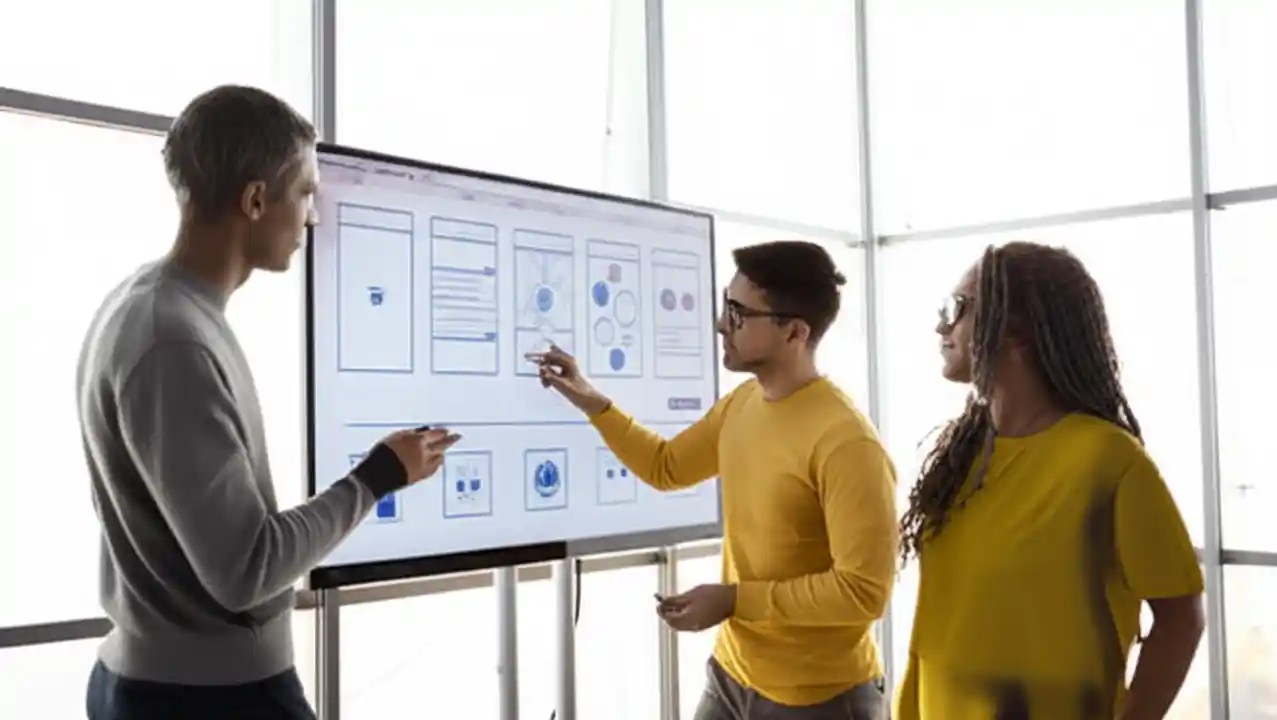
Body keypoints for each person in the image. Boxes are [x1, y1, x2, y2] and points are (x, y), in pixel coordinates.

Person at [75, 85, 460, 719]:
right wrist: (379, 476)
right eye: (306, 192)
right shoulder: (172, 340)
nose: (314, 216)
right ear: (256, 200)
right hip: (205, 699)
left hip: (166, 682)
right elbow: (246, 568)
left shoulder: (153, 305)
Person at [529, 241, 898, 719]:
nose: (722, 324)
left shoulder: (847, 444)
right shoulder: (742, 404)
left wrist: (733, 600)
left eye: (740, 313)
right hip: (731, 678)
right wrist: (592, 401)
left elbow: (862, 592)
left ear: (795, 332)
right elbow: (667, 466)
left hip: (819, 698)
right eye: (726, 305)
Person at [894, 241, 1205, 720]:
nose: (942, 325)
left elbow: (1180, 619)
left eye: (956, 308)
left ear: (1015, 329)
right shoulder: (962, 455)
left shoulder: (1107, 460)